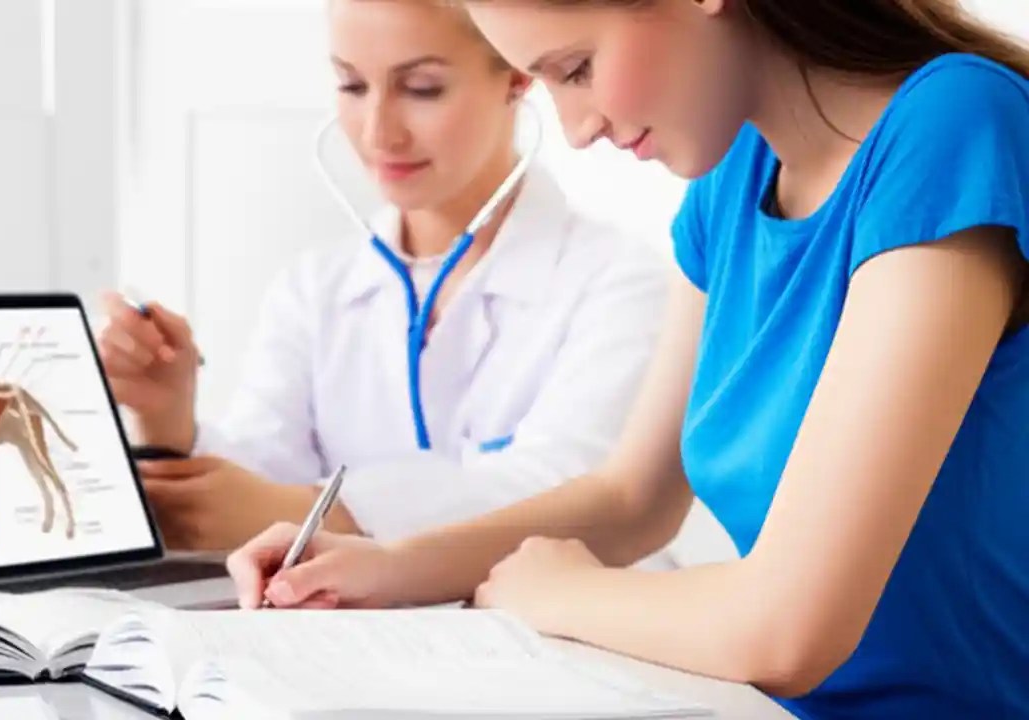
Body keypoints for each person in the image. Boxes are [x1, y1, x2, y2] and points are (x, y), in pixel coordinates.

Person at [226, 1, 1029, 717]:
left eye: (577, 69)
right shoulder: (732, 180)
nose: (575, 130)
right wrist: (393, 567)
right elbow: (631, 499)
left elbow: (788, 630)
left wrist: (561, 593)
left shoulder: (954, 127)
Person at [97, 0, 667, 552]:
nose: (377, 133)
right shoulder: (314, 289)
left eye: (422, 88)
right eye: (351, 85)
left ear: (517, 77)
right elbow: (260, 480)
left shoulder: (620, 285)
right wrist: (167, 424)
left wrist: (316, 515)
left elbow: (569, 497)